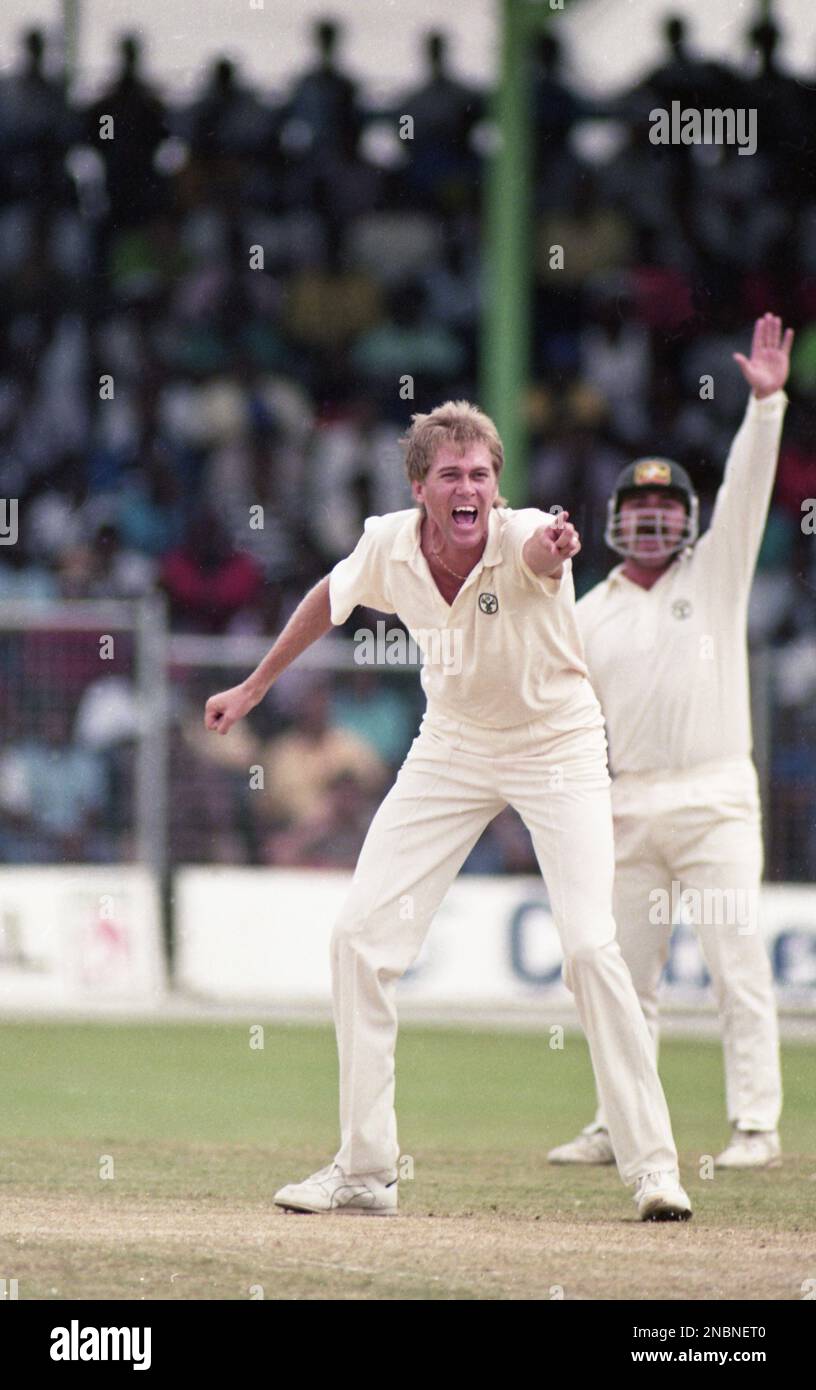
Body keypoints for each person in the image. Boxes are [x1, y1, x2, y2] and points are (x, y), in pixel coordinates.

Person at [205, 400, 692, 1221]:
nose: (469, 489)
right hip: (454, 743)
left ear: (497, 487)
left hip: (558, 742)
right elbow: (329, 597)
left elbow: (545, 549)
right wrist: (256, 685)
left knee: (589, 947)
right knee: (359, 939)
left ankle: (653, 1169)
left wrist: (555, 545)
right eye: (451, 476)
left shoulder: (527, 533)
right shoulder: (388, 544)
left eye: (481, 475)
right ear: (420, 487)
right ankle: (365, 1169)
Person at [548, 314, 792, 1172]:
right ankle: (620, 1125)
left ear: (686, 519)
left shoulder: (716, 574)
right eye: (639, 508)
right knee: (623, 983)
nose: (653, 521)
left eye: (666, 508)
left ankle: (755, 1127)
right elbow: (556, 715)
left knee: (736, 966)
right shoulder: (587, 611)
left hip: (716, 796)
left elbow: (750, 491)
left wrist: (764, 408)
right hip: (625, 806)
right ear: (616, 521)